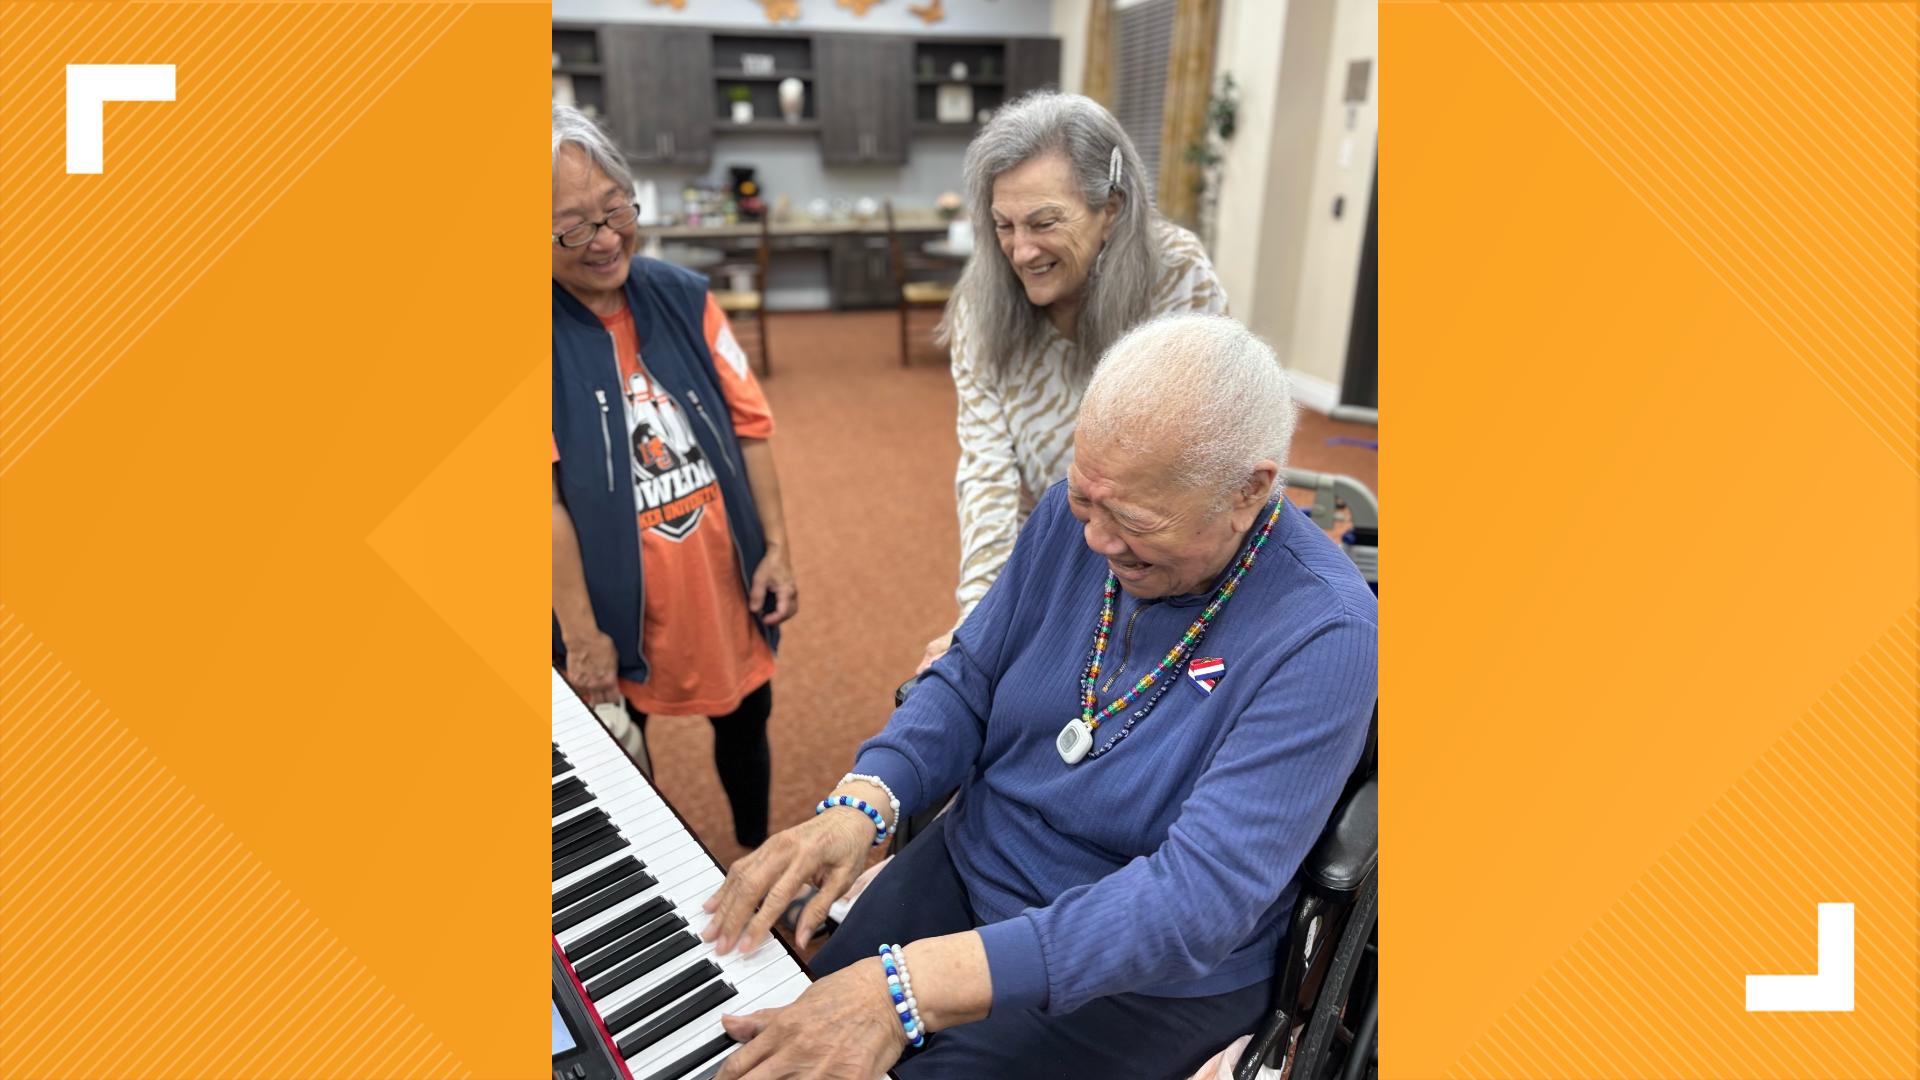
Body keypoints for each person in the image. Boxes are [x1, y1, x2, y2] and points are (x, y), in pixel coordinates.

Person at [703, 315, 1377, 1080]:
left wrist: (910, 987)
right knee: (781, 1033)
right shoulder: (1068, 516)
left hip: (1142, 969)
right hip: (975, 864)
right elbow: (968, 678)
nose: (1093, 540)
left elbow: (1194, 902)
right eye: (1089, 500)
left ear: (1247, 492)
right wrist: (863, 801)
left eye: (1131, 520)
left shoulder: (1328, 632)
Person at [550, 104, 797, 849]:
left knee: (747, 719)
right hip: (610, 597)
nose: (605, 239)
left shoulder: (684, 296)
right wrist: (580, 631)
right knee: (620, 753)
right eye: (573, 226)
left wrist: (778, 547)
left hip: (719, 577)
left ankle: (753, 850)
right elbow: (543, 499)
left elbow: (751, 427)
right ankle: (654, 880)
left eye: (615, 209)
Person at [919, 91, 1229, 673]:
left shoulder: (1174, 275)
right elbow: (987, 472)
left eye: (1044, 223)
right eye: (1003, 226)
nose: (1022, 250)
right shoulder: (981, 307)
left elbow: (1192, 463)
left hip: (1169, 557)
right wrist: (981, 614)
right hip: (1053, 556)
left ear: (1110, 207)